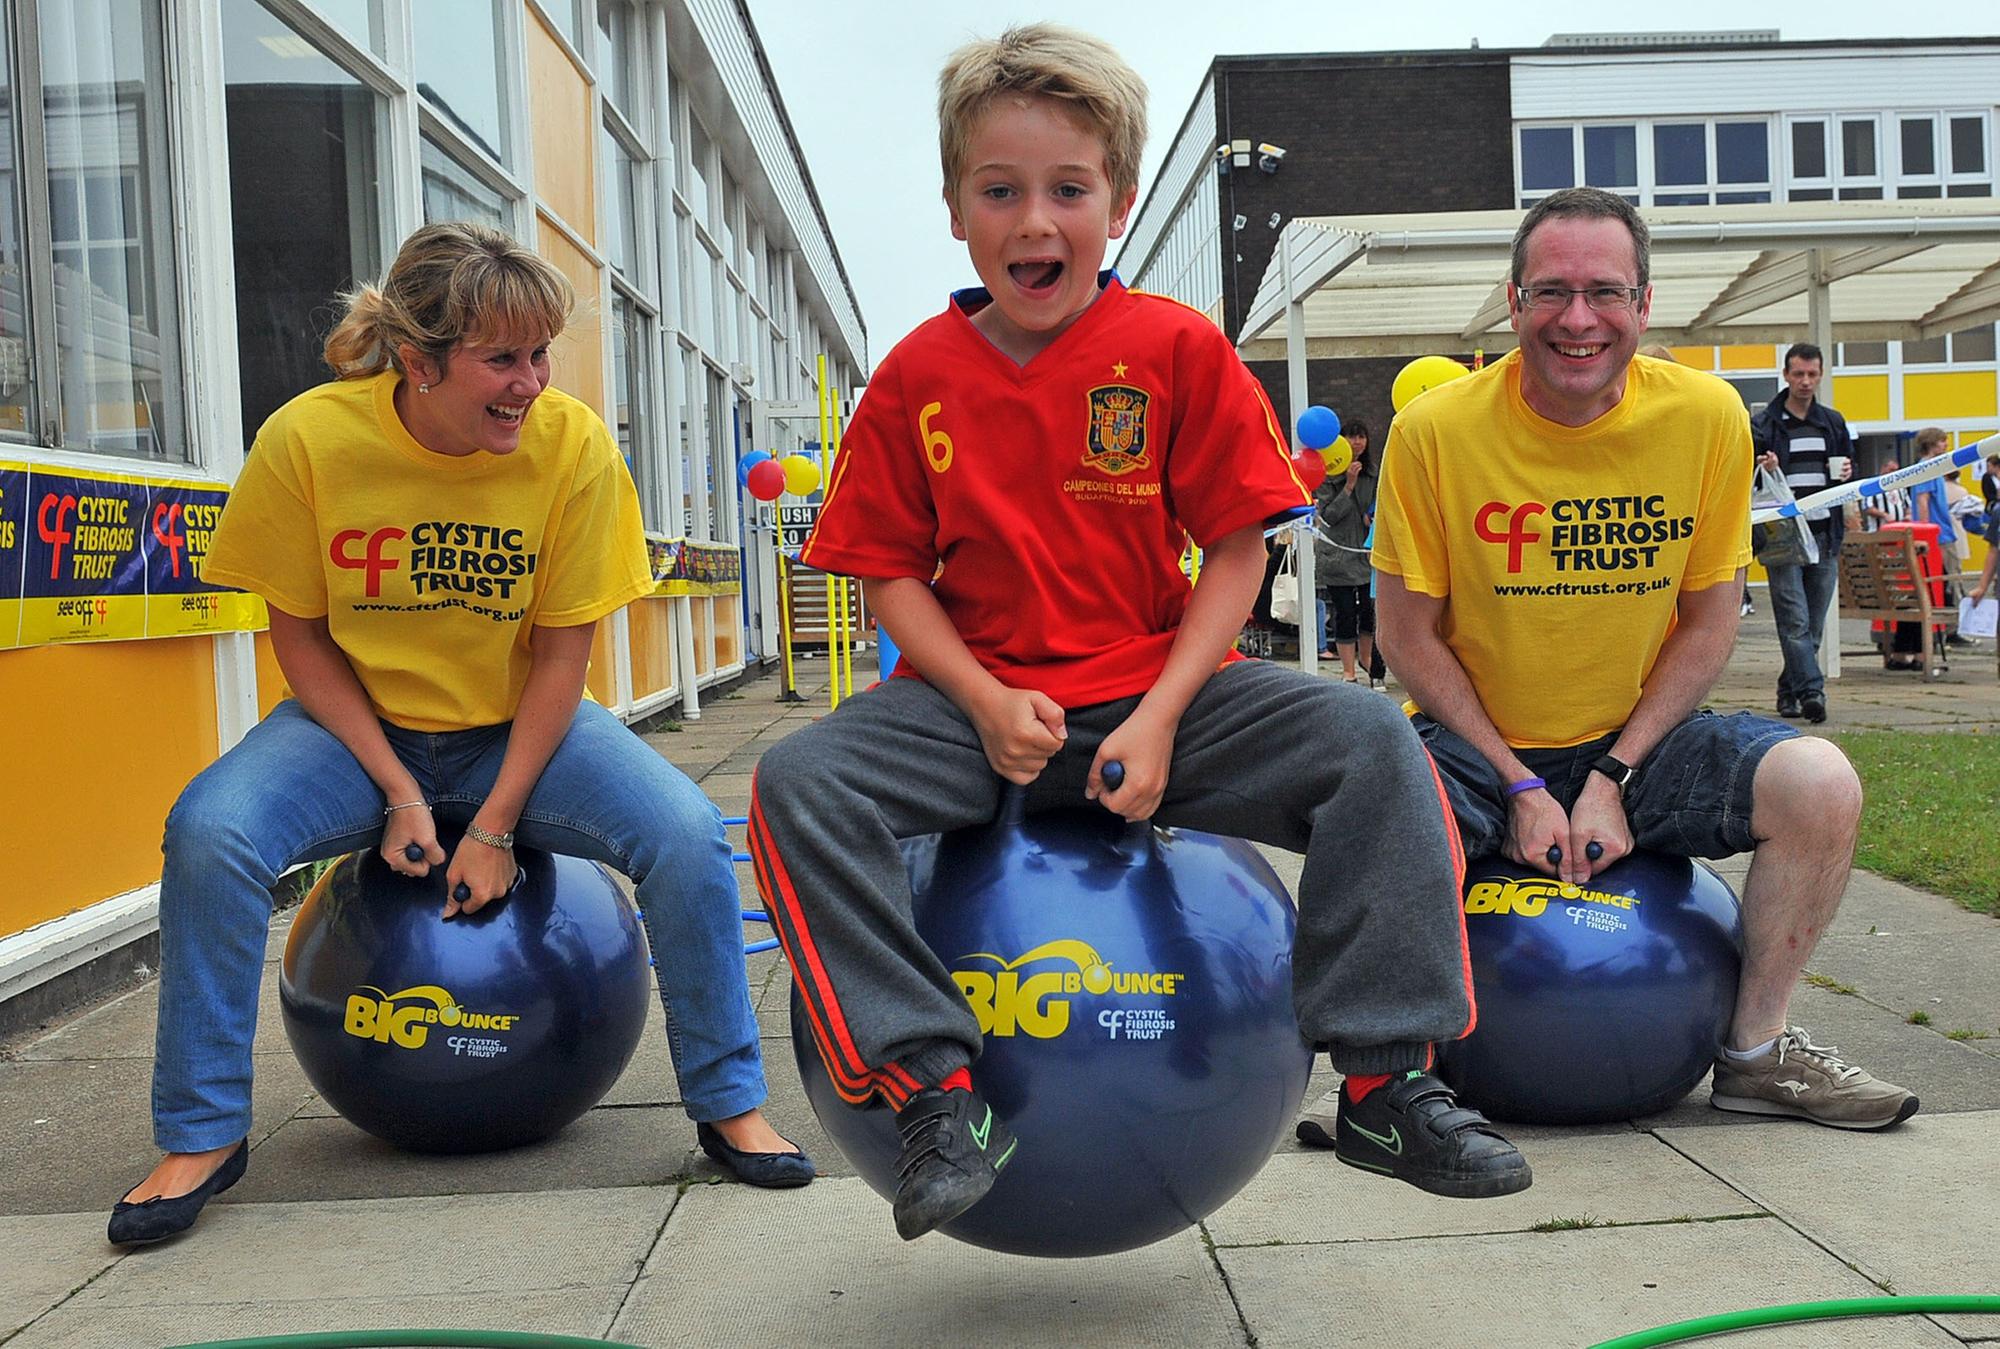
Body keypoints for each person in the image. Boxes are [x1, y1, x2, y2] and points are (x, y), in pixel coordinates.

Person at [748, 23, 1530, 1244]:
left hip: (1156, 695)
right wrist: (979, 697)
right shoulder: (913, 376)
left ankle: (1385, 1084)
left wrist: (1165, 712)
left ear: (1112, 201)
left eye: (1068, 190)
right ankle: (929, 1094)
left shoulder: (1174, 348)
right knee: (796, 779)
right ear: (955, 206)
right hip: (974, 712)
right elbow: (886, 573)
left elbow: (1236, 545)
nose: (1034, 223)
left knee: (1373, 740)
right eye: (999, 192)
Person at [109, 223, 812, 1247]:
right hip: (354, 727)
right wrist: (396, 786)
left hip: (519, 726)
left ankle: (727, 1101)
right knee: (210, 831)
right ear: (418, 360)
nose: (530, 383)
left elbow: (565, 663)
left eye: (540, 356)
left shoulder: (570, 446)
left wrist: (491, 824)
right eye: (502, 360)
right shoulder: (309, 440)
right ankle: (202, 1131)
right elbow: (299, 640)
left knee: (686, 831)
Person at [1370, 186, 1917, 1137]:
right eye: (1550, 292)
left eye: (1604, 292)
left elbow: (1710, 619)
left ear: (1644, 303)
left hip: (1639, 742)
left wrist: (1615, 773)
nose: (1577, 318)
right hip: (1475, 746)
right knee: (1374, 809)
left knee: (1819, 784)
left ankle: (1754, 1052)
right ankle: (1399, 1081)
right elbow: (1405, 635)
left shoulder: (1706, 416)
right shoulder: (1435, 432)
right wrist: (1517, 780)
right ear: (1512, 303)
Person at [1752, 342, 1853, 724]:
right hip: (1783, 537)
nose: (1805, 381)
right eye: (1798, 374)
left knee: (1811, 625)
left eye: (1812, 374)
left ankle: (1787, 690)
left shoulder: (1832, 422)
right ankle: (1812, 692)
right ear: (1786, 375)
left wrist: (1847, 473)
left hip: (1826, 533)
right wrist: (1765, 464)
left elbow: (1847, 472)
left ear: (1821, 375)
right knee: (1794, 621)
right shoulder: (1764, 425)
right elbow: (1748, 475)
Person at [1313, 419, 1380, 684]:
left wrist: (1373, 515)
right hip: (1338, 557)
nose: (1357, 442)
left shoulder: (1373, 473)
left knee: (1369, 611)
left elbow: (1381, 502)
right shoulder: (1328, 474)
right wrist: (1348, 485)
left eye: (1361, 437)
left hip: (1365, 554)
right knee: (1344, 614)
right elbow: (1328, 516)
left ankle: (1368, 660)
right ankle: (1348, 670)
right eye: (1352, 437)